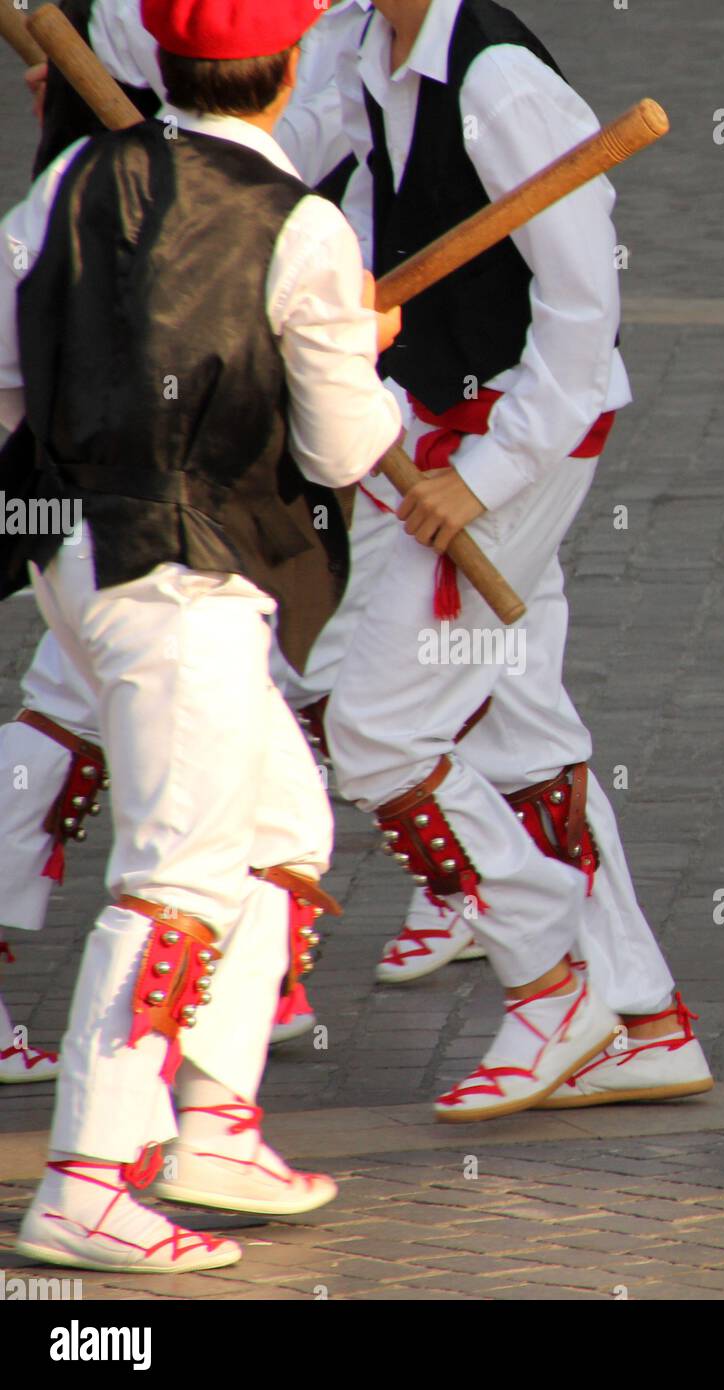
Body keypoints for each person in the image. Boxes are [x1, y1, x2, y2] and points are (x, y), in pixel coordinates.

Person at [0, 0, 401, 1270]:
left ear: (157, 58)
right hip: (189, 575)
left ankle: (215, 1121)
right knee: (175, 873)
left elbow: (7, 370)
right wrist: (363, 349)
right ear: (287, 76)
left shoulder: (72, 174)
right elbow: (345, 450)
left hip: (72, 546)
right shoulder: (306, 228)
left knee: (280, 826)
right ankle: (86, 1178)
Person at [324, 0, 713, 1119]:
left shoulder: (495, 80)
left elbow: (586, 316)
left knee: (379, 727)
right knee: (517, 718)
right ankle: (643, 1017)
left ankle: (551, 980)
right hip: (445, 425)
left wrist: (483, 475)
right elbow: (368, 209)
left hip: (517, 438)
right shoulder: (366, 48)